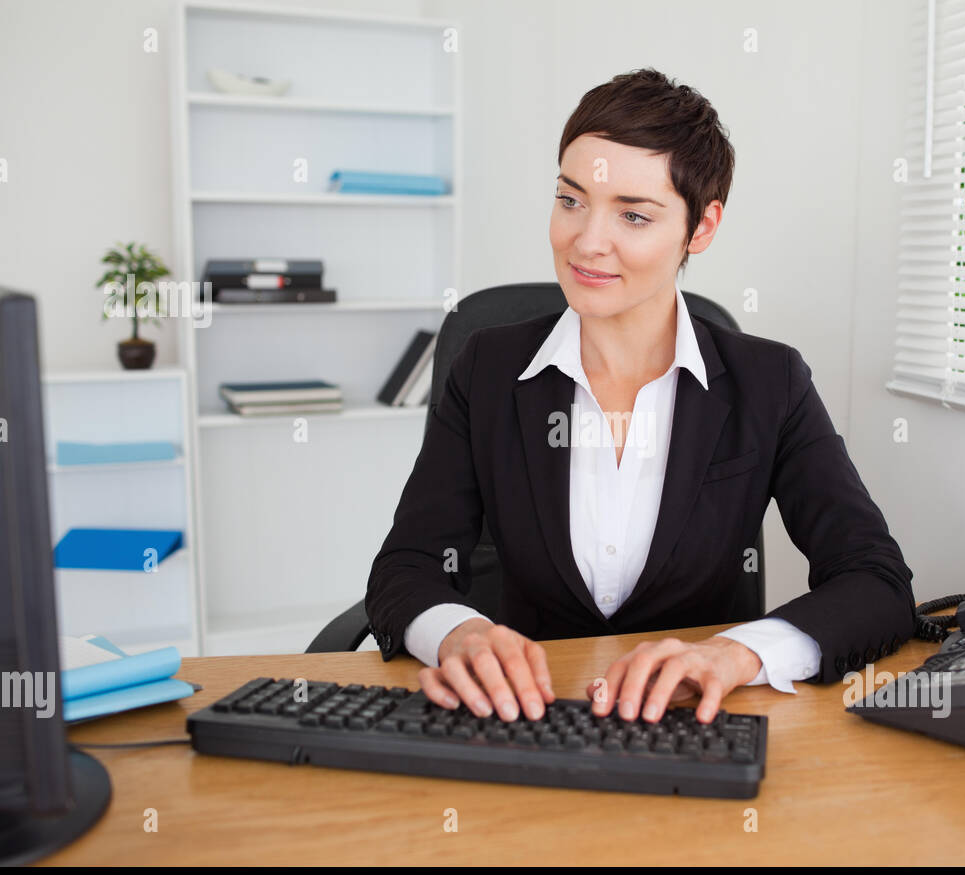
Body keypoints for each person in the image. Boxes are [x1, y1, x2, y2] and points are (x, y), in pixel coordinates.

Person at [365, 68, 914, 726]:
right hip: (525, 722)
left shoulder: (769, 383)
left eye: (632, 214)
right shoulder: (487, 368)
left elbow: (875, 581)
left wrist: (737, 654)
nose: (587, 241)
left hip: (696, 728)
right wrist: (457, 632)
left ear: (701, 227)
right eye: (570, 200)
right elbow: (408, 566)